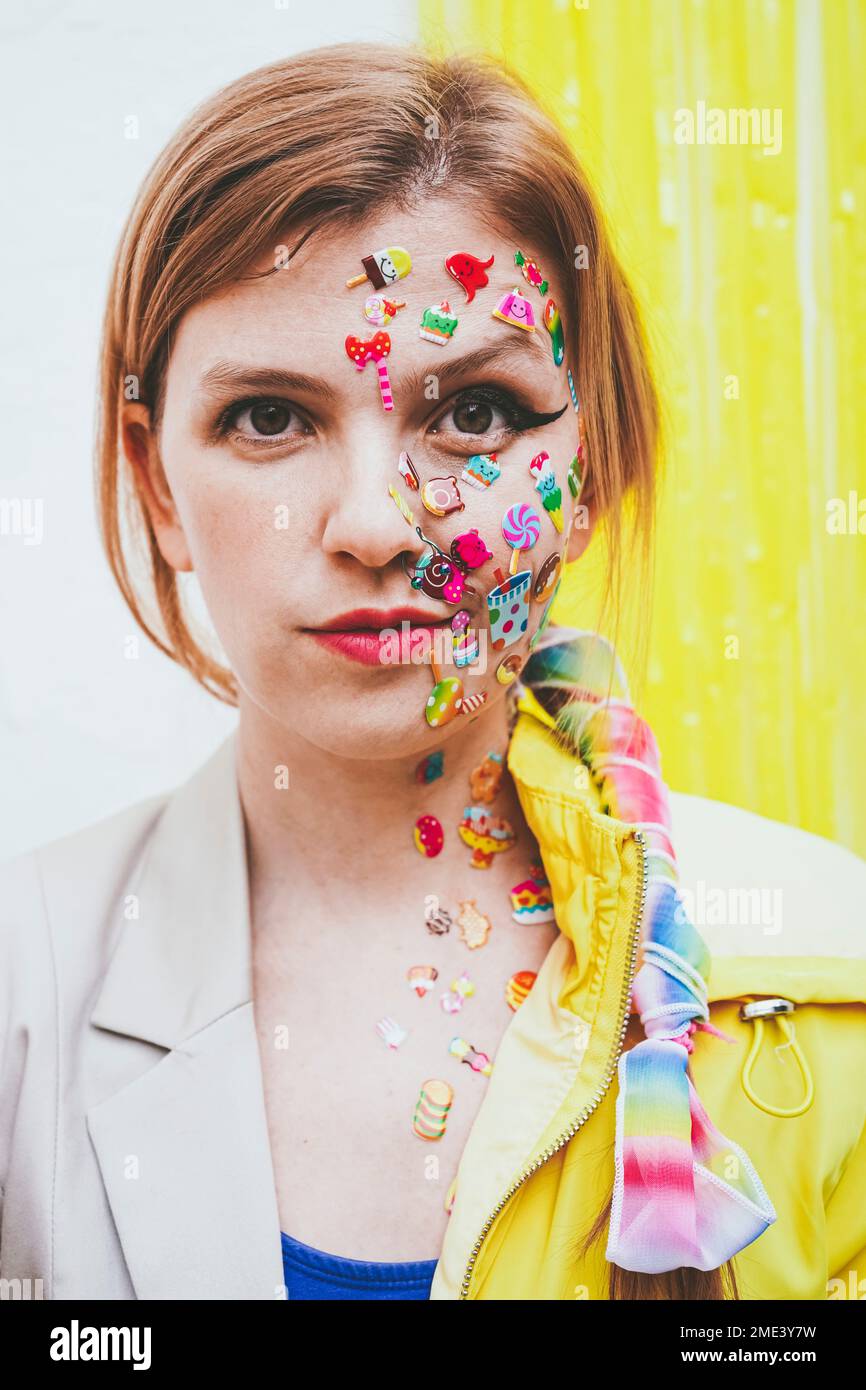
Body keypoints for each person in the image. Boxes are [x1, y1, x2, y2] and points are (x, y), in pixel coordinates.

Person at [1, 43, 865, 1304]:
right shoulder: (20, 994)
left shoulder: (827, 987)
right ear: (155, 484)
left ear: (590, 467)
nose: (378, 522)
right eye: (270, 419)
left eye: (473, 415)